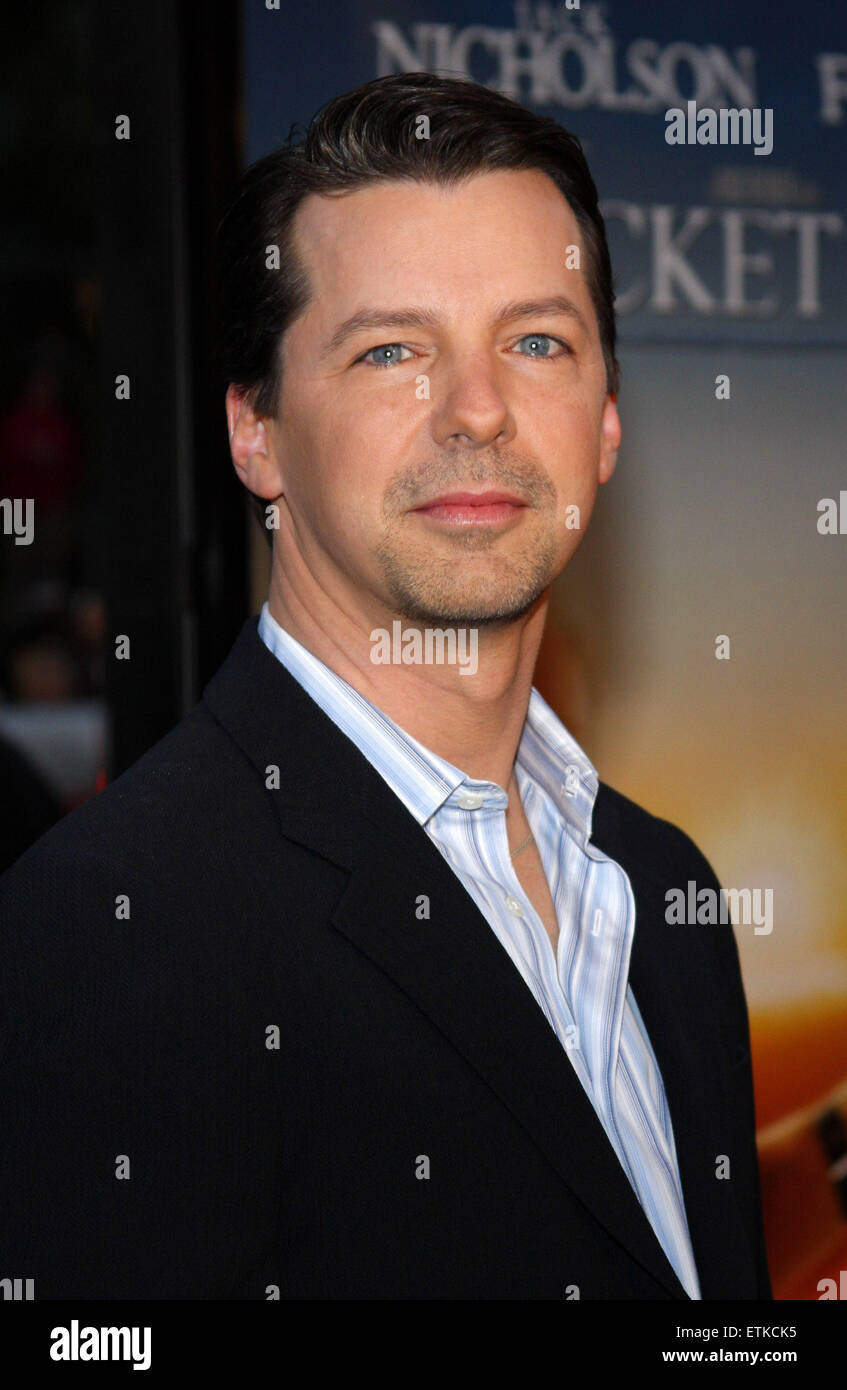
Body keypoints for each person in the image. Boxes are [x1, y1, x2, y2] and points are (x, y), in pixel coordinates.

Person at [0, 72, 771, 1301]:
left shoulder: (664, 889)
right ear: (255, 428)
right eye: (391, 350)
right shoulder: (117, 927)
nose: (477, 409)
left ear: (609, 418)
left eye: (536, 341)